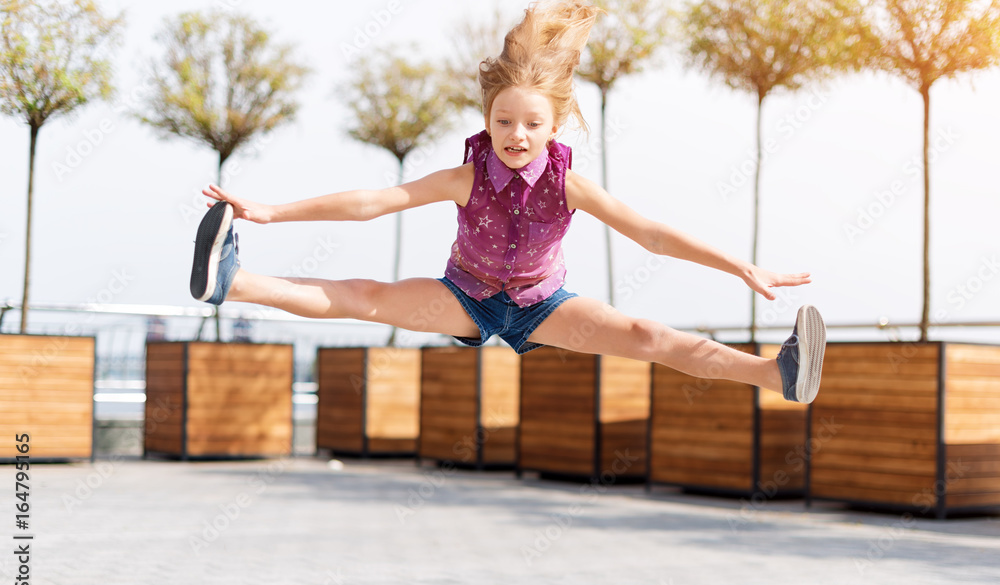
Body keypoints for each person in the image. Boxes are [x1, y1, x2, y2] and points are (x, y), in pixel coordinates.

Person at [188, 0, 826, 403]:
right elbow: (375, 202)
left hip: (542, 306)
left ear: (553, 127)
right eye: (503, 122)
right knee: (367, 296)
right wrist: (271, 211)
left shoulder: (568, 185)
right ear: (488, 122)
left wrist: (740, 267)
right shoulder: (466, 177)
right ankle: (233, 281)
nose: (515, 135)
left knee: (649, 335)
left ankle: (776, 375)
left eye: (530, 124)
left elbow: (652, 236)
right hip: (465, 295)